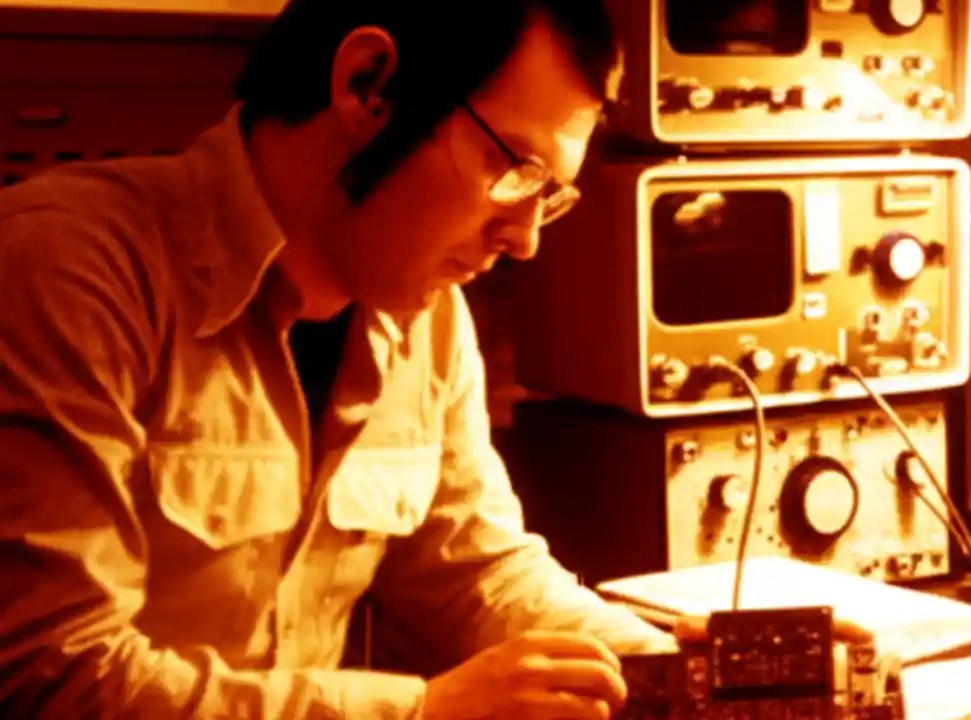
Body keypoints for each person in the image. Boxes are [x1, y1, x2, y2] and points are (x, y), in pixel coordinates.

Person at [0, 1, 673, 717]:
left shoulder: (427, 315)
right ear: (367, 86)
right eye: (514, 169)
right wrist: (422, 713)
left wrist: (686, 677)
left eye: (549, 194)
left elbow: (480, 571)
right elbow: (54, 671)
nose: (525, 239)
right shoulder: (67, 271)